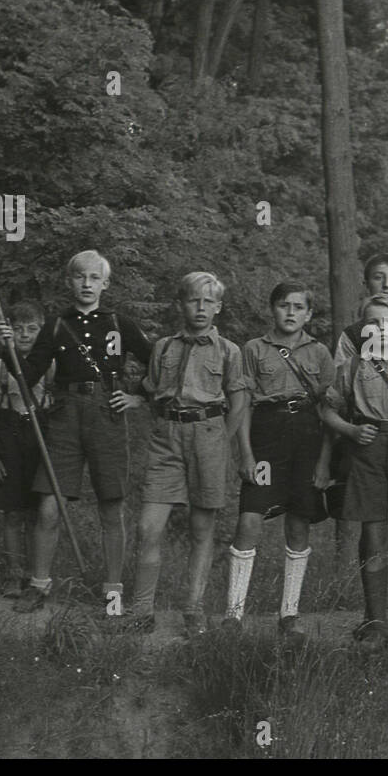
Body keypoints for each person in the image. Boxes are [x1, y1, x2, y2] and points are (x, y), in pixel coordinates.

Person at [0, 250, 152, 614]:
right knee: (49, 505)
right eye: (80, 277)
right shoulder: (54, 325)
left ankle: (113, 592)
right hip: (64, 417)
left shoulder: (119, 323)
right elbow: (28, 376)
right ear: (70, 281)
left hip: (107, 416)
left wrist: (138, 397)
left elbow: (158, 359)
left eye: (94, 278)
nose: (86, 284)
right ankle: (39, 584)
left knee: (111, 506)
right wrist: (7, 349)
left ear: (105, 284)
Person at [127, 272, 249, 635]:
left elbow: (240, 399)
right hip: (167, 438)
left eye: (208, 302)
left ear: (218, 308)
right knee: (148, 527)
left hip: (208, 435)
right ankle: (140, 611)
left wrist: (222, 440)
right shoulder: (164, 347)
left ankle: (193, 610)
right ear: (182, 304)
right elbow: (152, 392)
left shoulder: (229, 350)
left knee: (201, 528)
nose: (200, 308)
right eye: (194, 300)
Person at [222, 281, 335, 645]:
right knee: (250, 518)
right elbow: (243, 407)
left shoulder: (319, 353)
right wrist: (247, 455)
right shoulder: (254, 349)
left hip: (306, 437)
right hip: (267, 437)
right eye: (283, 305)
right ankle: (233, 614)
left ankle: (289, 614)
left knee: (299, 523)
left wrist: (324, 463)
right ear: (272, 309)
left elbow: (329, 409)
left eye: (298, 307)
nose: (290, 312)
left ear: (308, 314)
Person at [321, 294, 388, 648]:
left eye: (386, 322)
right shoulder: (352, 366)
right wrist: (350, 430)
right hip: (367, 449)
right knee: (374, 536)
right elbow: (328, 409)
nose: (379, 328)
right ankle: (377, 621)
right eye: (371, 323)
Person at [0, 301, 53, 597]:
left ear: (41, 330)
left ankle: (36, 575)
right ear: (9, 332)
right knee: (11, 513)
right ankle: (12, 575)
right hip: (8, 441)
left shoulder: (51, 366)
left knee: (38, 513)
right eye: (18, 329)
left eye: (32, 329)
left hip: (41, 441)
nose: (25, 335)